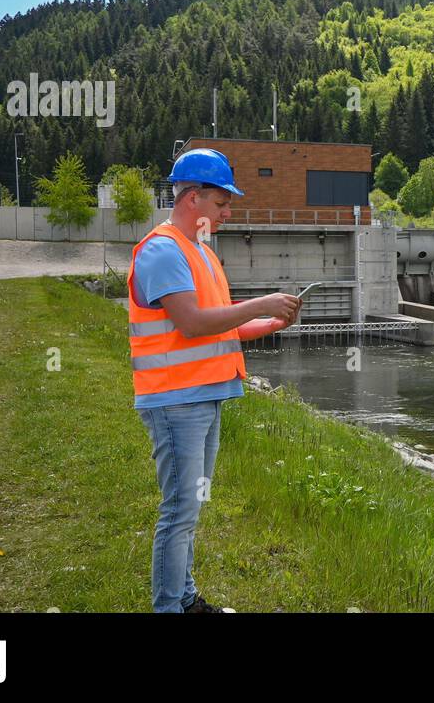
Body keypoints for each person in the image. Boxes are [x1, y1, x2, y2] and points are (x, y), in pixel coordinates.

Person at [126, 148, 302, 613]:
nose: (228, 212)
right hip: (175, 399)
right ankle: (170, 607)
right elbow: (191, 322)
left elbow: (220, 325)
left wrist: (270, 325)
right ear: (193, 198)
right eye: (222, 203)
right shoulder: (164, 250)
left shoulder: (200, 252)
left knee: (191, 507)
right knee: (180, 510)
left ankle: (185, 599)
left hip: (205, 395)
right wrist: (261, 303)